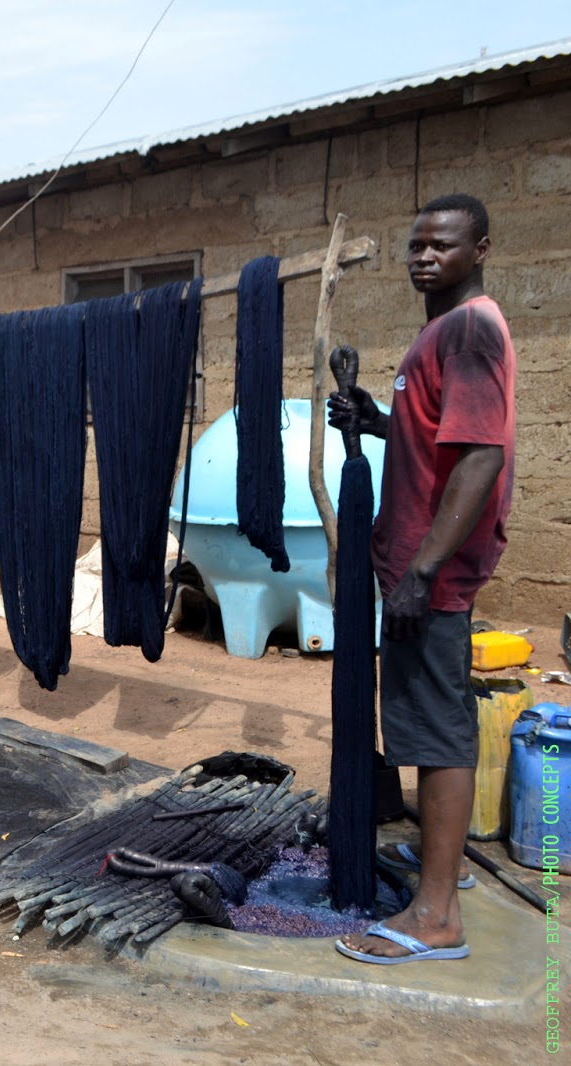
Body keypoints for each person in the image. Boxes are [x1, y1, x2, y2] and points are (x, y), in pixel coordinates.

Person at [327, 193, 515, 964]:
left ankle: (436, 917)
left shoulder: (471, 328)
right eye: (416, 245)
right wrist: (372, 416)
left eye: (442, 245)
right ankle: (435, 870)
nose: (424, 256)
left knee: (437, 733)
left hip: (429, 574)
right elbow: (437, 434)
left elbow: (481, 457)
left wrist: (423, 571)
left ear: (481, 249)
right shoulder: (441, 332)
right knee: (422, 721)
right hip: (415, 567)